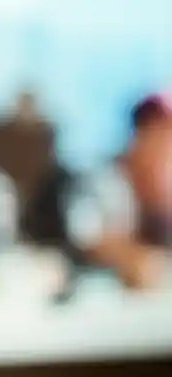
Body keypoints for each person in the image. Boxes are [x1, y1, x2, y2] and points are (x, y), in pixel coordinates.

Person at [73, 93, 172, 289]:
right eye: (162, 132)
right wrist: (131, 258)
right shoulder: (107, 180)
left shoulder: (161, 181)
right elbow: (89, 240)